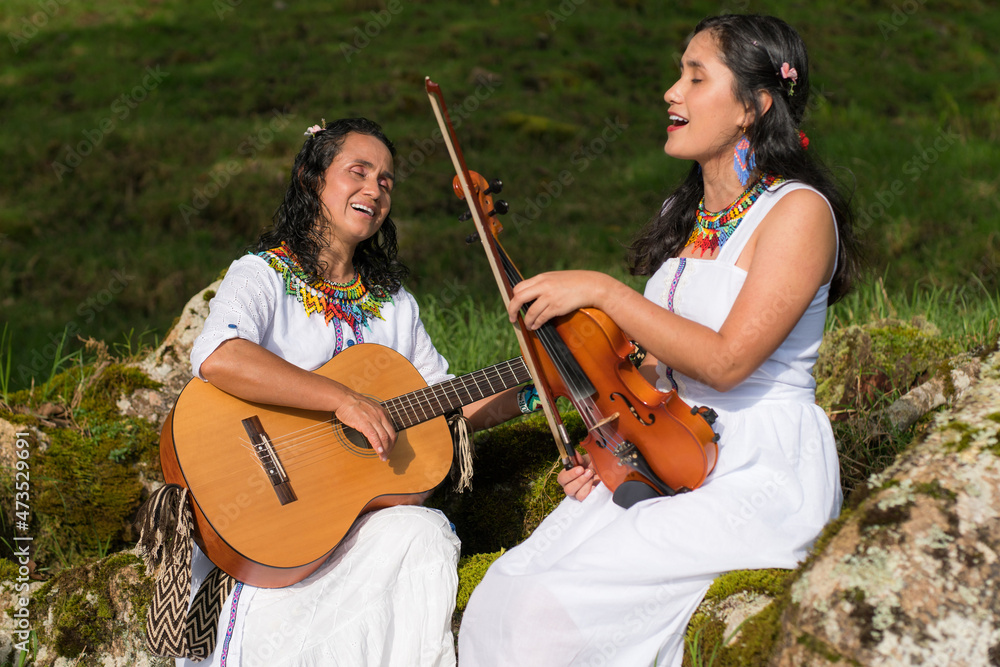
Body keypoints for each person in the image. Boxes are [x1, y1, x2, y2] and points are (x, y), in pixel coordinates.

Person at [457, 14, 862, 667]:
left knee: (543, 613)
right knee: (502, 594)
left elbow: (727, 362)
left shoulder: (798, 212)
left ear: (754, 106)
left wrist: (606, 292)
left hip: (759, 470)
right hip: (671, 450)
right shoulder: (691, 218)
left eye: (695, 77)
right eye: (679, 74)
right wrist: (615, 445)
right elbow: (649, 368)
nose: (672, 92)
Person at [174, 117, 525, 667]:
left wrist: (532, 389)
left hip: (359, 530)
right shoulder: (262, 274)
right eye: (357, 172)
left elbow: (446, 400)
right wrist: (342, 399)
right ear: (312, 178)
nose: (374, 190)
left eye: (386, 181)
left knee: (424, 533)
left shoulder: (395, 304)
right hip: (271, 524)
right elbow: (221, 356)